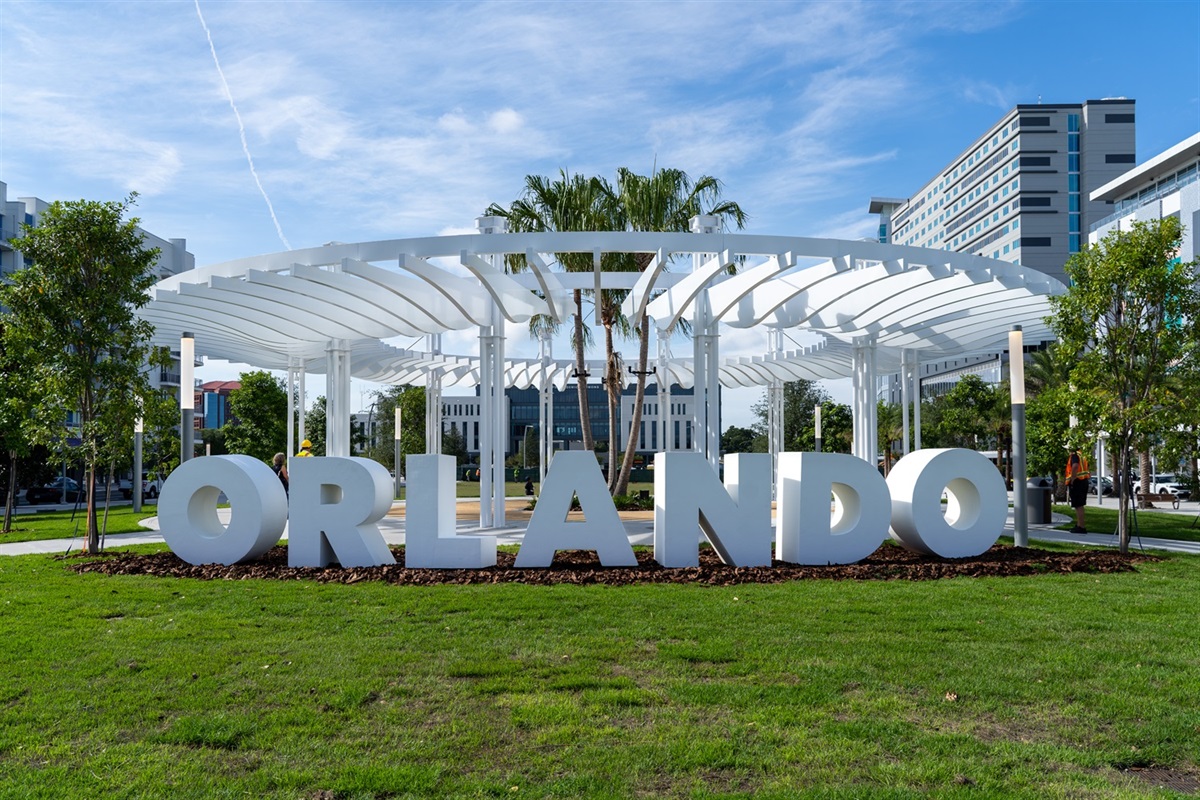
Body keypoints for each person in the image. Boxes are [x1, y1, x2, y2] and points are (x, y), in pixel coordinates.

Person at [1065, 448, 1091, 533]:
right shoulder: (1083, 455)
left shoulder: (1075, 455)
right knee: (1079, 505)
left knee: (1078, 505)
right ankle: (1079, 524)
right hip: (1083, 481)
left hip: (1077, 481)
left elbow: (1075, 466)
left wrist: (1072, 479)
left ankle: (1081, 526)